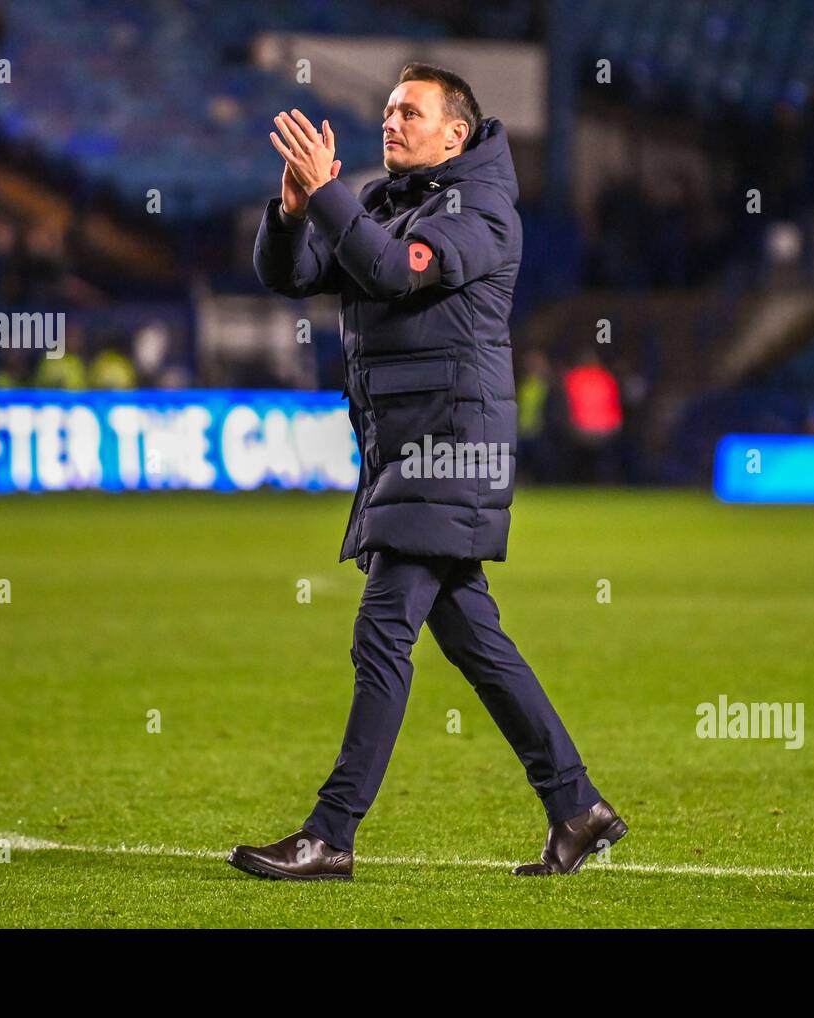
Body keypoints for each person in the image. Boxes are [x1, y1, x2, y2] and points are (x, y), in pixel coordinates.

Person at [232, 63, 625, 881]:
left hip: (450, 448)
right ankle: (576, 806)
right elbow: (291, 276)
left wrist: (333, 199)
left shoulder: (481, 211)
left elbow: (393, 272)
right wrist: (293, 210)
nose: (391, 122)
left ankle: (330, 834)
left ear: (457, 132)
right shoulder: (381, 201)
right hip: (402, 452)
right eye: (386, 111)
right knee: (475, 641)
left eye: (410, 111)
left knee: (383, 635)